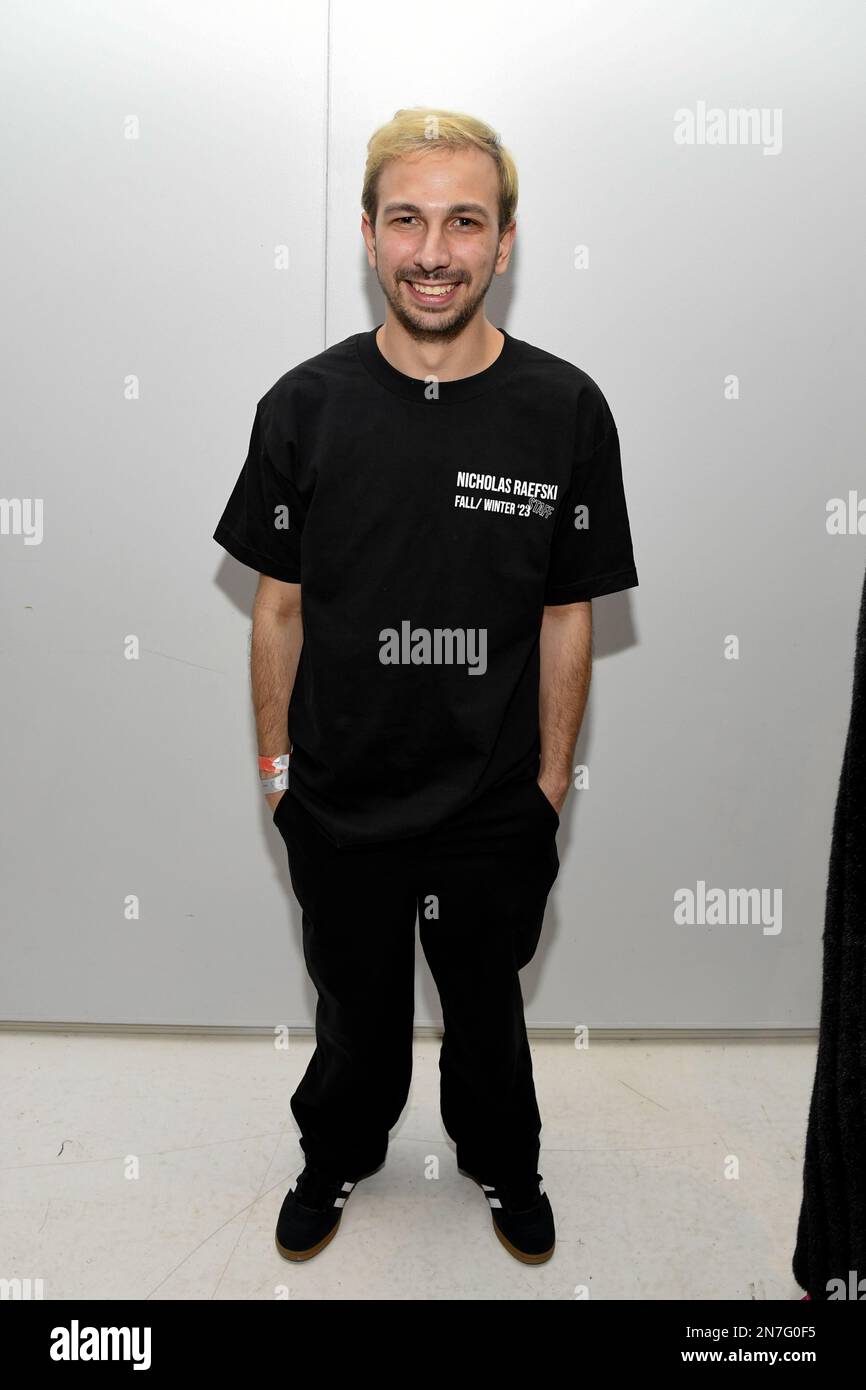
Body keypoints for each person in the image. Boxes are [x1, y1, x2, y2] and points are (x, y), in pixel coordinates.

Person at [212, 107, 639, 1266]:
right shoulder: (304, 406)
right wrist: (275, 775)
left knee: (487, 1013)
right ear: (367, 236)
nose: (433, 249)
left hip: (494, 803)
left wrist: (548, 785)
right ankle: (336, 1151)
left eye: (464, 220)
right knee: (354, 1015)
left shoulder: (563, 409)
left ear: (504, 244)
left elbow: (567, 609)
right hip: (340, 796)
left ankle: (504, 1161)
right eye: (407, 219)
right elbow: (280, 604)